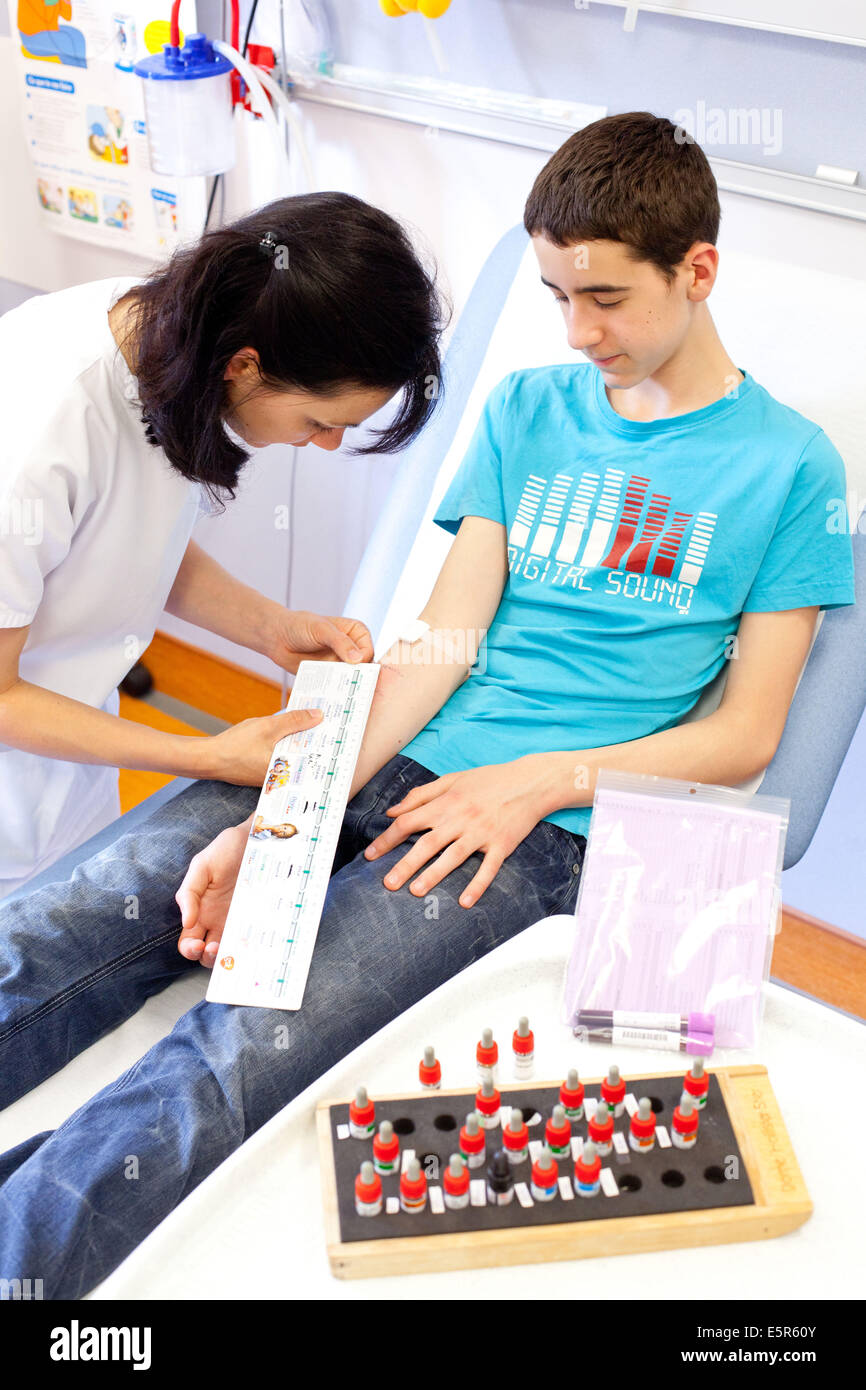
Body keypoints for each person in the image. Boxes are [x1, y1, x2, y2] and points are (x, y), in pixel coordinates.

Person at [0, 113, 855, 1298]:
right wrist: (286, 816)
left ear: (695, 270)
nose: (576, 330)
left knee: (237, 1047)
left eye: (602, 296)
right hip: (391, 753)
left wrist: (540, 779)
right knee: (70, 916)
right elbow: (441, 645)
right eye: (555, 294)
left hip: (534, 830)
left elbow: (743, 736)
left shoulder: (791, 469)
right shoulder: (527, 413)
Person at [0, 192, 445, 895]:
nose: (325, 444)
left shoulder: (167, 333)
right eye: (319, 420)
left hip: (64, 748)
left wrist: (272, 629)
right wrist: (206, 754)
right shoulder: (36, 437)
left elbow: (121, 543)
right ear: (244, 365)